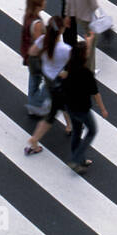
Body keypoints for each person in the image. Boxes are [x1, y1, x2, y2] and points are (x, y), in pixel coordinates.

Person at [24, 17, 74, 154]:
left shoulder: (42, 40)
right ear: (61, 31)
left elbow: (32, 52)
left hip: (48, 78)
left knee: (60, 105)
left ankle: (69, 125)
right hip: (59, 81)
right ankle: (34, 140)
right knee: (55, 111)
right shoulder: (64, 49)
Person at [61, 41, 107, 174]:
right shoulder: (86, 73)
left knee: (77, 130)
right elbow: (95, 93)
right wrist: (103, 109)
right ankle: (76, 159)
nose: (88, 53)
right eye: (86, 51)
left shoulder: (69, 67)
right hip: (82, 108)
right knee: (92, 131)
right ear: (82, 56)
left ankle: (79, 159)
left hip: (70, 106)